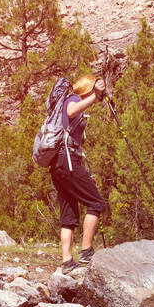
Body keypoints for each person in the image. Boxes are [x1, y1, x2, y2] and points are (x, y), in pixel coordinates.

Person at [51, 73, 108, 275]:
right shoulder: (73, 99)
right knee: (96, 203)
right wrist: (96, 97)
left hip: (59, 164)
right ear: (88, 90)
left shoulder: (62, 105)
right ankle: (86, 251)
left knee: (69, 213)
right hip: (67, 162)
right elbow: (72, 110)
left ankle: (67, 262)